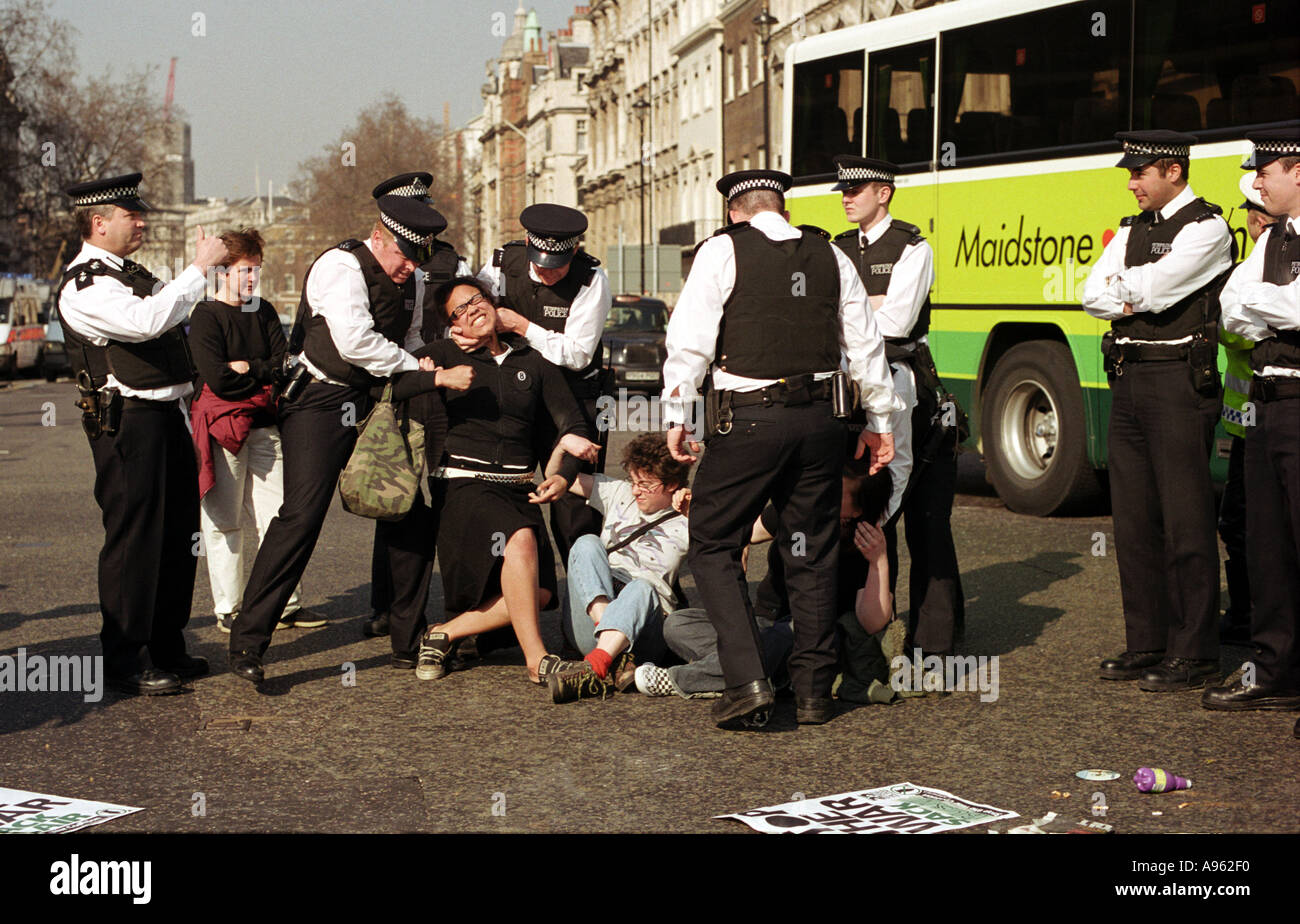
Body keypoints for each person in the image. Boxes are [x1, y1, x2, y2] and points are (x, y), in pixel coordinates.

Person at [661, 168, 901, 729]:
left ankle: (748, 680)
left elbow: (689, 340)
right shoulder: (830, 255)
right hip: (822, 421)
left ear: (733, 213)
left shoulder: (721, 252)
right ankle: (815, 690)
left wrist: (677, 413)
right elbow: (866, 345)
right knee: (811, 550)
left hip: (747, 421)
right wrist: (881, 420)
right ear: (784, 211)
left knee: (715, 543)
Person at [228, 195, 459, 684]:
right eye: (403, 255)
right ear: (380, 237)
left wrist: (426, 360)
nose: (410, 268)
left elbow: (411, 339)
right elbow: (354, 341)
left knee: (409, 506)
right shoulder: (340, 265)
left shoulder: (413, 278)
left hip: (378, 396)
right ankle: (249, 640)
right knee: (301, 515)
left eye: (418, 258)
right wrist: (415, 367)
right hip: (322, 399)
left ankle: (406, 637)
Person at [56, 172, 228, 695]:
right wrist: (197, 269)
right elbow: (147, 321)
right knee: (135, 540)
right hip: (127, 422)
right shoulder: (87, 283)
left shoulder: (128, 272)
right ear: (98, 221)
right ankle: (124, 659)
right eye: (132, 215)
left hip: (164, 413)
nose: (142, 222)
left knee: (178, 537)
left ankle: (167, 646)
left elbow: (175, 316)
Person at [1081, 131, 1233, 693]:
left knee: (1186, 519)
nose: (1131, 183)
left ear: (1172, 170)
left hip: (1177, 380)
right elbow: (1090, 293)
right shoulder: (1129, 229)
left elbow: (1160, 293)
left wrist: (1126, 292)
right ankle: (1147, 640)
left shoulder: (1207, 227)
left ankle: (1195, 652)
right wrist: (1127, 292)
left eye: (1139, 173)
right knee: (1134, 519)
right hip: (1129, 375)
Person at [410, 277, 600, 685]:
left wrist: (565, 475)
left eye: (476, 299)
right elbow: (391, 384)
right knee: (521, 539)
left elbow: (572, 422)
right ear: (451, 325)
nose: (472, 310)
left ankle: (444, 633)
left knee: (542, 594)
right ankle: (538, 661)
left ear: (491, 302)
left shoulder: (532, 359)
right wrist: (431, 379)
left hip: (518, 486)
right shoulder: (439, 355)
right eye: (458, 310)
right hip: (463, 483)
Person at [830, 154, 964, 659]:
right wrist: (871, 306)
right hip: (850, 387)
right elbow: (834, 317)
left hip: (901, 383)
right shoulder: (837, 248)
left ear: (883, 192)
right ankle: (861, 625)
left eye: (857, 190)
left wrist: (856, 315)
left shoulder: (912, 245)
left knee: (922, 522)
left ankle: (934, 644)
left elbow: (897, 323)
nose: (846, 197)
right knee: (853, 504)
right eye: (843, 191)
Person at [637, 460, 897, 703]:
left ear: (860, 507)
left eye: (837, 492)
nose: (824, 493)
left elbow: (872, 621)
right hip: (764, 623)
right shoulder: (799, 509)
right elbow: (741, 534)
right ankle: (762, 676)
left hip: (812, 635)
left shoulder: (871, 540)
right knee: (677, 624)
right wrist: (697, 512)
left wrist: (878, 561)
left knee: (781, 637)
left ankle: (680, 679)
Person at [1204, 124, 1300, 732]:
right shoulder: (1277, 239)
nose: (1255, 182)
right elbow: (1230, 306)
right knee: (1268, 548)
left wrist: (1266, 305)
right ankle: (1275, 673)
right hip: (1267, 403)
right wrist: (1275, 303)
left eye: (1266, 171)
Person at [189, 227, 325, 634]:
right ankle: (228, 608)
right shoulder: (205, 316)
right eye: (246, 271)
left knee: (279, 518)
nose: (253, 279)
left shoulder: (262, 310)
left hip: (266, 427)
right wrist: (257, 372)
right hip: (223, 429)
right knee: (225, 522)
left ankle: (284, 604)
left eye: (257, 271)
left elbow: (284, 367)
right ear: (222, 273)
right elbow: (216, 378)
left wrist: (249, 369)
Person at [362, 172, 471, 641]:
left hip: (443, 386)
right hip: (402, 385)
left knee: (449, 493)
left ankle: (460, 608)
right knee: (396, 497)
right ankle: (388, 604)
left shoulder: (452, 260)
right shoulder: (368, 262)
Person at [476, 204, 612, 566]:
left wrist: (523, 327)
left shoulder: (590, 279)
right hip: (516, 395)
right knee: (506, 491)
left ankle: (590, 605)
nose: (549, 274)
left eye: (558, 265)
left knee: (573, 509)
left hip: (574, 400)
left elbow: (578, 354)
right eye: (541, 264)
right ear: (527, 243)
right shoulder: (501, 264)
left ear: (575, 251)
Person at [546, 432, 692, 703]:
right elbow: (555, 480)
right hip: (594, 615)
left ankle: (597, 664)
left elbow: (749, 534)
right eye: (633, 481)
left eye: (646, 484)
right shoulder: (618, 492)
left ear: (671, 483)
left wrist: (696, 512)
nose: (636, 490)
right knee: (586, 543)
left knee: (642, 587)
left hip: (644, 630)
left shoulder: (687, 518)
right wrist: (562, 446)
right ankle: (609, 653)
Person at [1216, 173, 1275, 645]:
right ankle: (1246, 614)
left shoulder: (1265, 261)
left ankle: (1249, 617)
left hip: (1259, 421)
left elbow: (1236, 331)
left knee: (1246, 522)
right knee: (1239, 521)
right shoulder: (1257, 263)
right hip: (1245, 421)